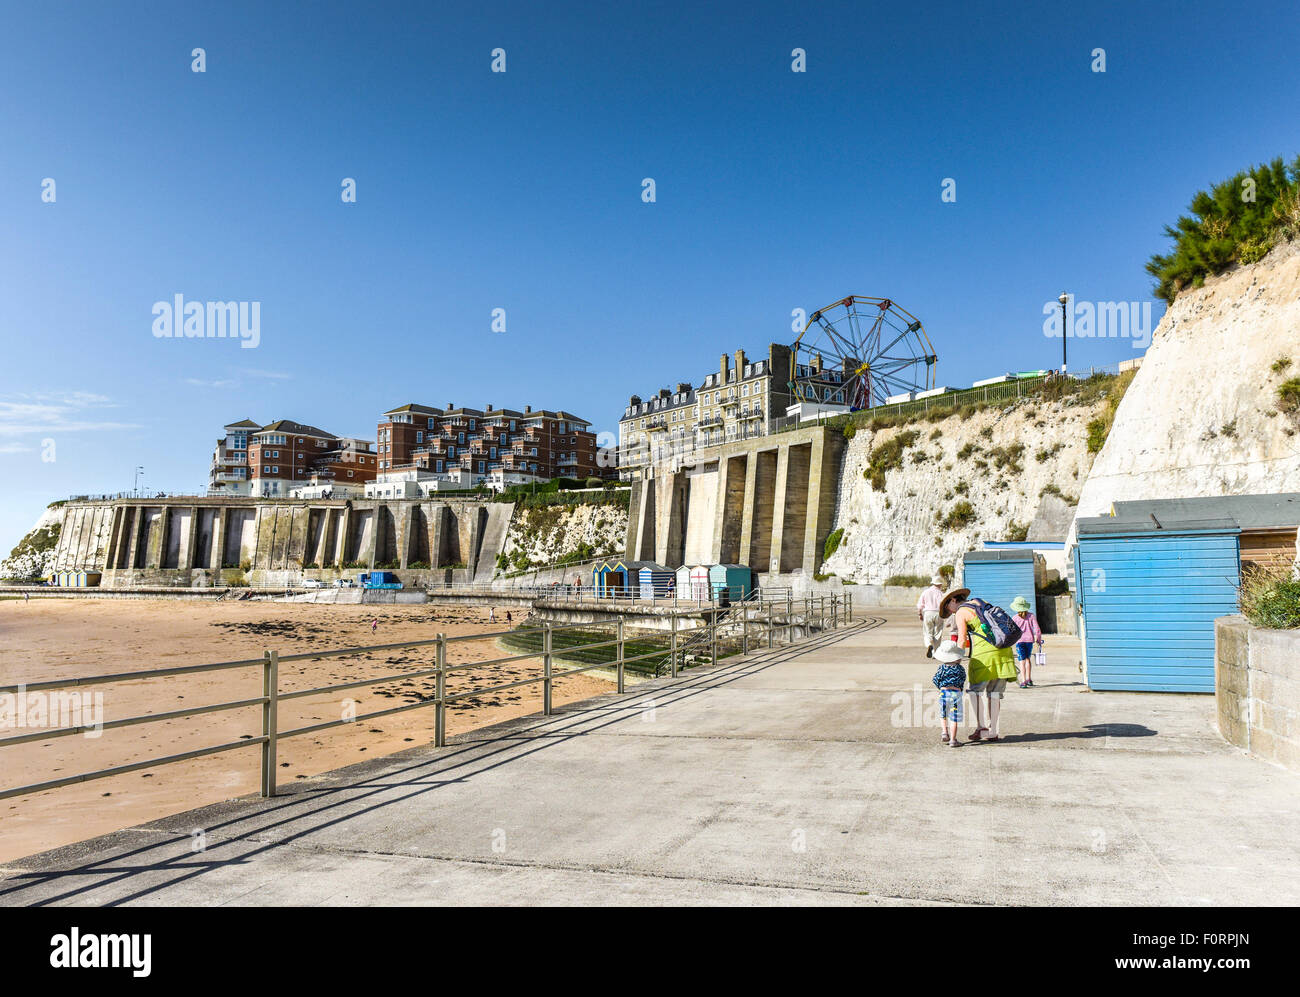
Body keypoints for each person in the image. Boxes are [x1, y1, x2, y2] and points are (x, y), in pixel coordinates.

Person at [939, 585, 1018, 742]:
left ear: (953, 600)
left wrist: (955, 661)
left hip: (983, 658)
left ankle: (981, 728)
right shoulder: (981, 602)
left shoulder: (961, 612)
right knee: (994, 695)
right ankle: (993, 731)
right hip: (1003, 652)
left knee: (975, 692)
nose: (951, 612)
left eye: (949, 608)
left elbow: (961, 639)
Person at [931, 636, 966, 747]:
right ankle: (953, 740)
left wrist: (941, 687)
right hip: (956, 694)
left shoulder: (942, 668)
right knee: (954, 718)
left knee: (943, 714)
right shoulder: (960, 669)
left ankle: (944, 732)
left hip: (943, 693)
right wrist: (960, 688)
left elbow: (935, 679)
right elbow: (962, 679)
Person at [1009, 596, 1043, 688]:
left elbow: (1011, 630)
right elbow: (1037, 629)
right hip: (1029, 641)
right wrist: (1038, 639)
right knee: (1028, 659)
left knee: (1022, 661)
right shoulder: (1031, 616)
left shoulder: (1015, 618)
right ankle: (1028, 679)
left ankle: (1023, 681)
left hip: (1019, 641)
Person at [915, 575, 945, 658]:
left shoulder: (926, 592)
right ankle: (936, 652)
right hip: (939, 613)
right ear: (939, 584)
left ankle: (929, 644)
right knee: (938, 632)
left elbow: (920, 604)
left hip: (928, 613)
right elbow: (943, 605)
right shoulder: (941, 593)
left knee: (927, 631)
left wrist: (920, 614)